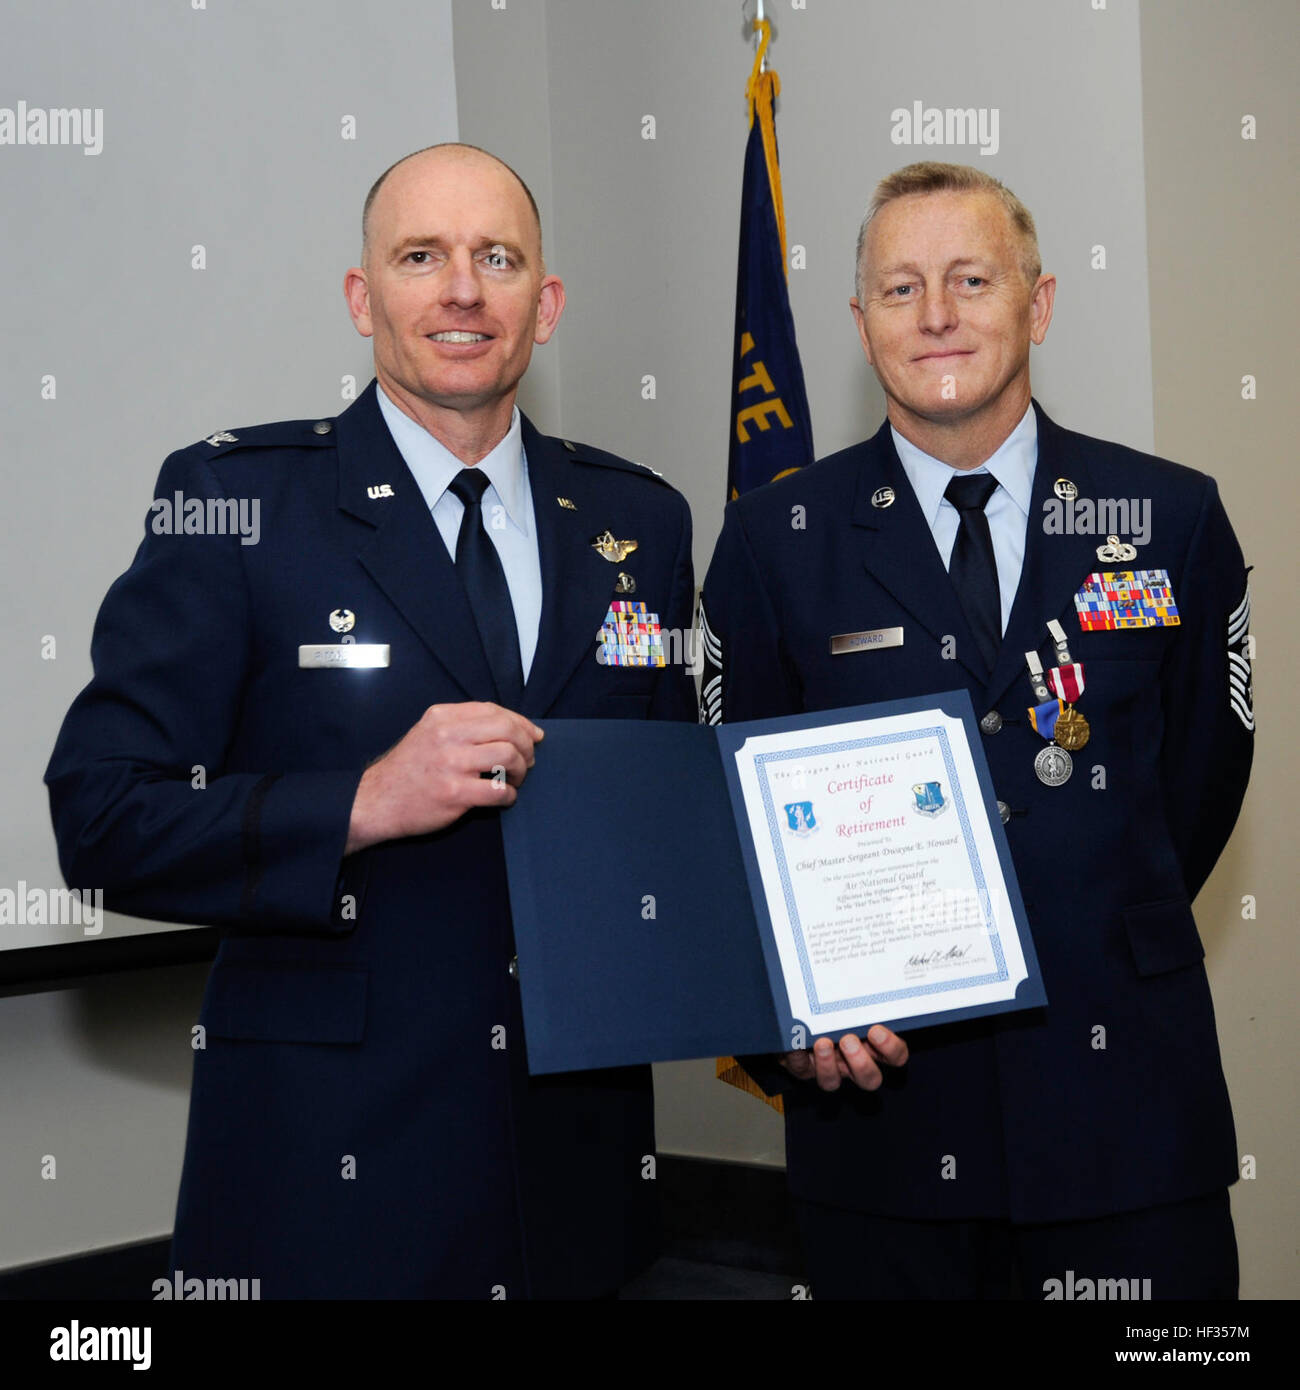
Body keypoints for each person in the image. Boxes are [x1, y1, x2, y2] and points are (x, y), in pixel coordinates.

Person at [45, 143, 696, 1299]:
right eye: (419, 256)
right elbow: (101, 813)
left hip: (578, 1173)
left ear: (543, 305)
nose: (460, 289)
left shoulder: (637, 519)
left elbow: (666, 814)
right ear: (363, 297)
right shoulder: (235, 503)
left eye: (496, 258)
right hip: (328, 1175)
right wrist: (357, 803)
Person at [699, 162, 1253, 1299]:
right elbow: (720, 814)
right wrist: (788, 1019)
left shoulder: (1165, 517)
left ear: (1037, 303)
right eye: (899, 289)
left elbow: (1198, 783)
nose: (937, 315)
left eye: (970, 279)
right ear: (860, 326)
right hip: (885, 1129)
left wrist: (1073, 901)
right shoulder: (774, 540)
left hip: (1126, 1115)